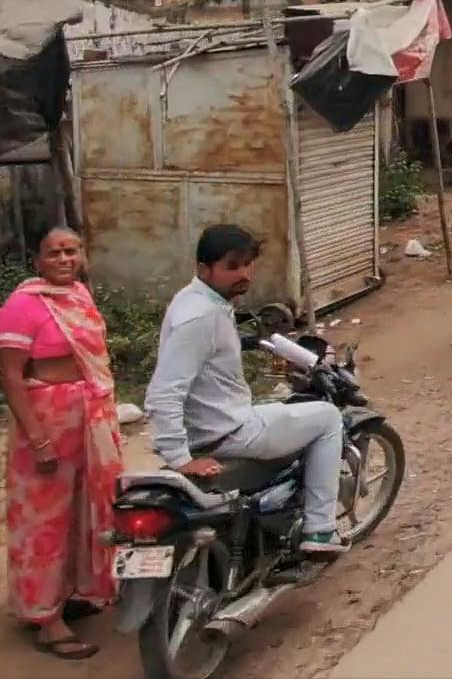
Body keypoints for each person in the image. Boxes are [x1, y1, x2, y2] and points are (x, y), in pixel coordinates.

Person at [146, 225, 349, 556]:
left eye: (247, 264)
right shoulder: (203, 316)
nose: (243, 274)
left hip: (213, 423)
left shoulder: (192, 299)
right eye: (231, 266)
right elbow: (164, 392)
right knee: (327, 417)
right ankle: (320, 530)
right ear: (204, 269)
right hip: (228, 432)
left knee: (278, 408)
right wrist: (180, 458)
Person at [0, 228, 124, 660]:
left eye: (72, 250)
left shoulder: (79, 297)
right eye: (54, 253)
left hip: (87, 418)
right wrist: (37, 439)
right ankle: (45, 618)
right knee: (45, 523)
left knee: (86, 510)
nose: (64, 258)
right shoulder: (24, 305)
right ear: (37, 260)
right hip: (47, 422)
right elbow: (12, 377)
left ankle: (72, 593)